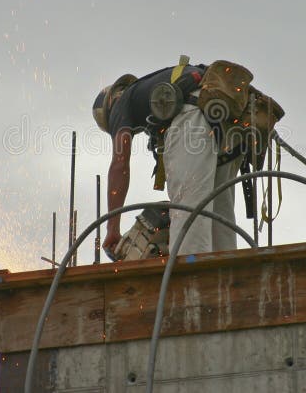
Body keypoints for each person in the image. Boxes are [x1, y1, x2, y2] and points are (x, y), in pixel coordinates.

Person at [92, 59, 244, 258]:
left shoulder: (121, 103)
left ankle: (188, 282)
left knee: (187, 214)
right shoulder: (149, 88)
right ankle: (227, 281)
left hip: (194, 117)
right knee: (219, 221)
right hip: (229, 124)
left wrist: (112, 228)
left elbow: (120, 164)